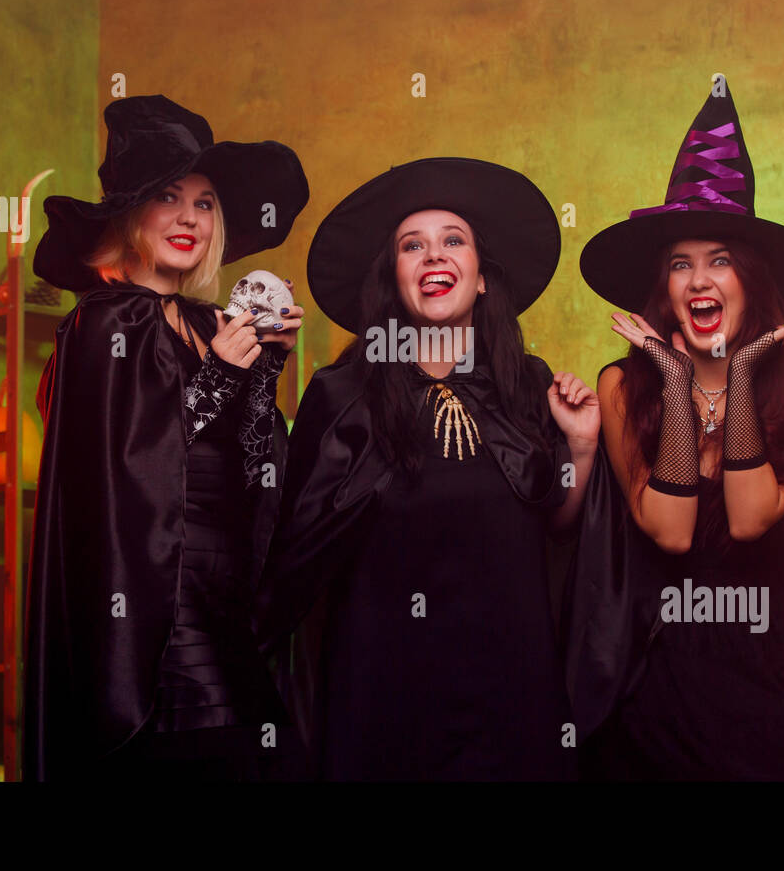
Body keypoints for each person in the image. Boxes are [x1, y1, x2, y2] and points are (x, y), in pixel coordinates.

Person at [568, 80, 784, 780]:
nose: (698, 279)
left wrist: (739, 377)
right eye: (681, 263)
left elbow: (747, 519)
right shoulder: (624, 385)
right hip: (664, 666)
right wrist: (678, 386)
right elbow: (673, 530)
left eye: (720, 260)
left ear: (750, 276)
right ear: (663, 285)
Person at [255, 157, 599, 780]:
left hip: (510, 691)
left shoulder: (531, 385)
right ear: (393, 276)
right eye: (412, 246)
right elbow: (296, 552)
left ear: (483, 278)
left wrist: (579, 448)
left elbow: (558, 528)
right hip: (382, 697)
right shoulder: (341, 396)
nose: (433, 257)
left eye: (452, 241)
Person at [24, 95, 309, 781]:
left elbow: (257, 476)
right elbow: (133, 477)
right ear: (130, 214)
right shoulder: (102, 324)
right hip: (153, 618)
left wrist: (262, 367)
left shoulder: (217, 325)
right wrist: (216, 380)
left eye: (205, 203)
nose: (188, 217)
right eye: (167, 196)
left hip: (229, 604)